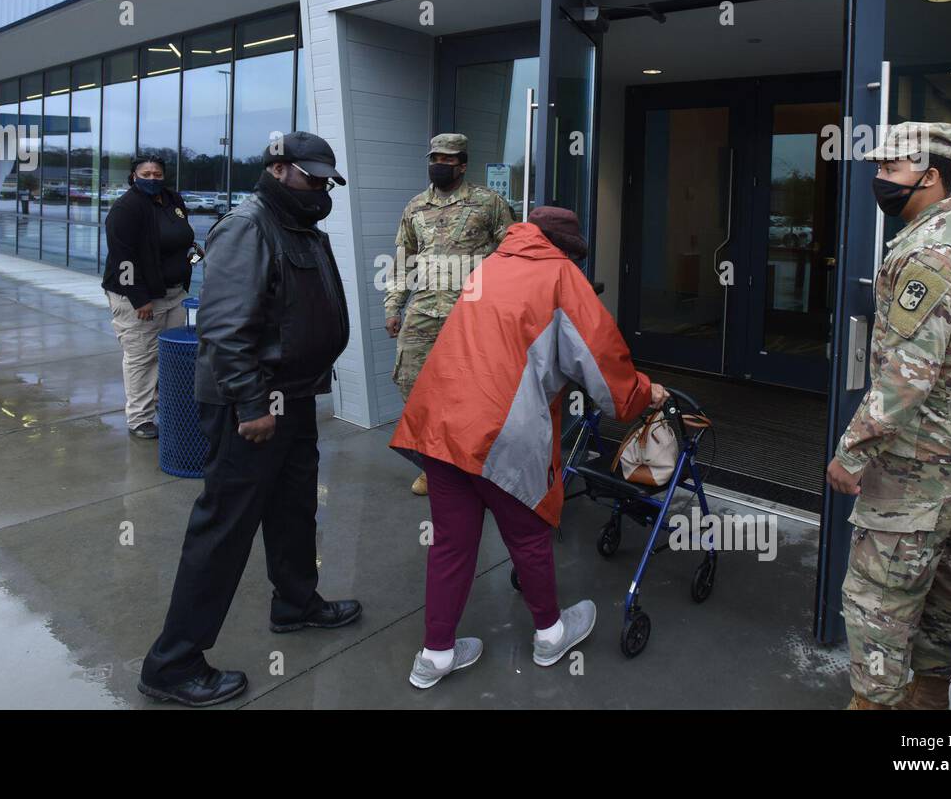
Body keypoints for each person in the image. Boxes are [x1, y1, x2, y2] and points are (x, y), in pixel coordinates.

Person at [391, 207, 666, 688]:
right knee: (529, 534)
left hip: (440, 423)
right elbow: (602, 364)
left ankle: (434, 656)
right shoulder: (560, 275)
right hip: (501, 431)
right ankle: (550, 634)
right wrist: (643, 393)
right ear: (566, 249)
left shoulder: (490, 263)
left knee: (451, 545)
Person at [139, 132, 360, 707]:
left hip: (295, 395)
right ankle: (173, 662)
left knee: (294, 507)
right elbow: (225, 327)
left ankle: (296, 603)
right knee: (225, 527)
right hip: (255, 402)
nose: (320, 189)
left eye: (325, 181)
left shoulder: (298, 226)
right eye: (311, 178)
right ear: (279, 169)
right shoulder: (249, 225)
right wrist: (251, 404)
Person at [826, 121, 951, 711]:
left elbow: (908, 376)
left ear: (930, 176)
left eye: (890, 170)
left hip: (923, 460)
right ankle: (931, 699)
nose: (878, 179)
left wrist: (851, 450)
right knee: (945, 583)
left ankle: (876, 704)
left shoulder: (930, 252)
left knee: (878, 595)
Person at [385, 133, 513, 496]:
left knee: (473, 390)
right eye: (434, 158)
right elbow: (403, 261)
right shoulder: (415, 207)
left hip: (472, 314)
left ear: (462, 164)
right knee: (408, 380)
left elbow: (512, 254)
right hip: (423, 310)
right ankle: (434, 464)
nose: (438, 165)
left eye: (447, 159)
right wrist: (394, 305)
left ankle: (472, 463)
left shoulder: (488, 203)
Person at [101, 157, 198, 439]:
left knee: (172, 356)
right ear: (134, 176)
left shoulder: (172, 200)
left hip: (174, 293)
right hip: (138, 297)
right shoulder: (125, 209)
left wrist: (192, 258)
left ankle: (166, 408)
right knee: (142, 357)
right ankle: (140, 419)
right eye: (146, 173)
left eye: (157, 173)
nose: (152, 178)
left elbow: (182, 239)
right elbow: (123, 259)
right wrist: (139, 299)